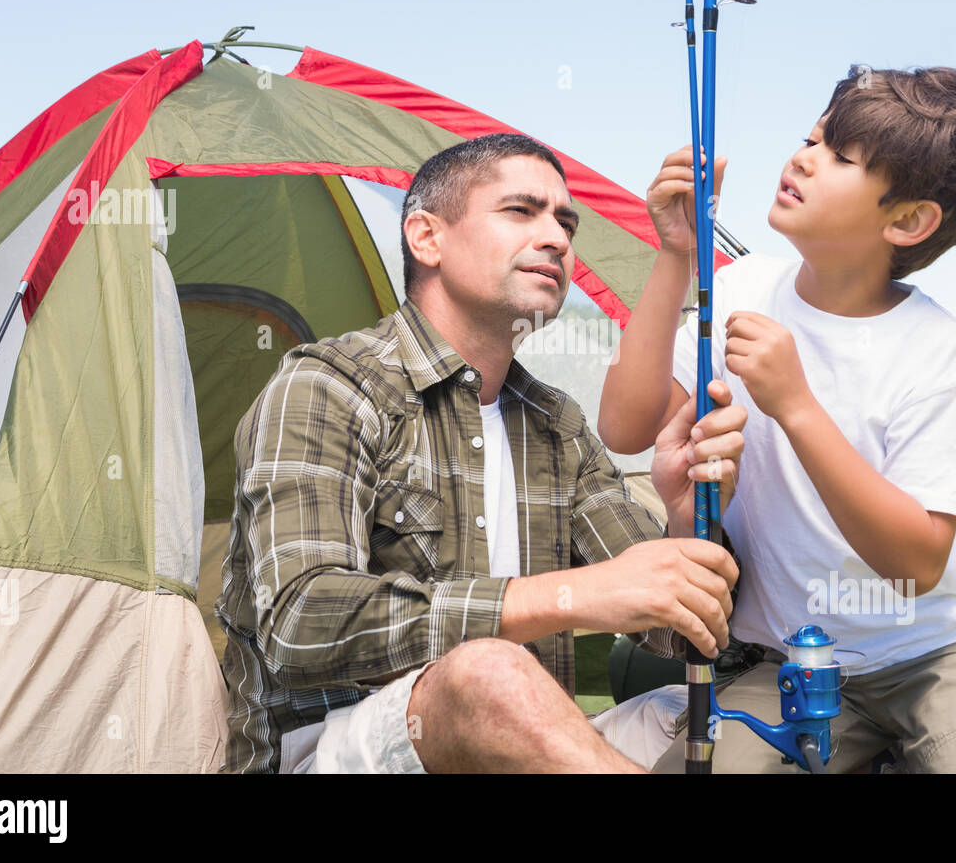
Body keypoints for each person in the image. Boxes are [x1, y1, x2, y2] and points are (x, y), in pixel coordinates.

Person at [598, 65, 956, 773]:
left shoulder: (934, 348)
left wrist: (795, 406)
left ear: (909, 220)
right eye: (810, 139)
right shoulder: (741, 291)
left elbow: (916, 564)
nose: (801, 158)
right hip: (797, 664)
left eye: (839, 157)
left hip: (938, 654)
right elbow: (626, 427)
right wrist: (676, 254)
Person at [215, 133, 747, 773]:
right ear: (426, 238)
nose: (556, 238)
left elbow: (687, 637)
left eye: (565, 221)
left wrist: (687, 522)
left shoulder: (556, 424)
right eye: (522, 212)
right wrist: (569, 596)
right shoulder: (327, 386)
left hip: (515, 741)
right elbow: (301, 620)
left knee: (730, 711)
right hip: (330, 750)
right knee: (488, 670)